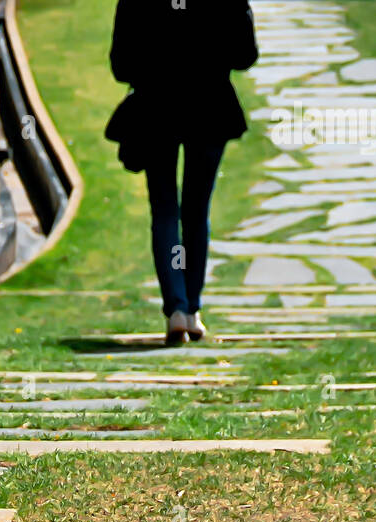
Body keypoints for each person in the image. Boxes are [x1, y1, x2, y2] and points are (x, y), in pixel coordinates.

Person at [108, 0, 258, 344]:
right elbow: (245, 55)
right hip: (210, 105)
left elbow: (121, 65)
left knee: (164, 210)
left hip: (156, 107)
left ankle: (176, 309)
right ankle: (191, 308)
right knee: (195, 211)